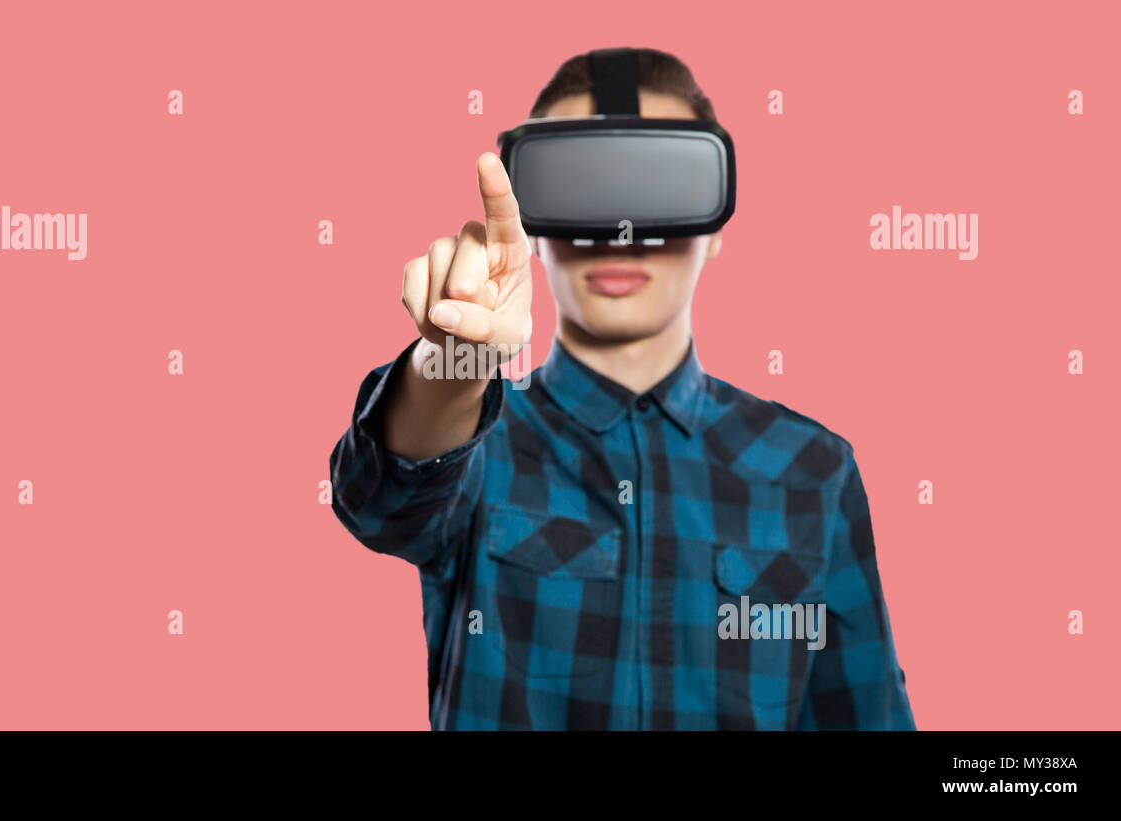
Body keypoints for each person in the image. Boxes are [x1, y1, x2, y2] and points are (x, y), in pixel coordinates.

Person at [329, 47, 915, 730]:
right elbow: (379, 498)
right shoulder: (486, 449)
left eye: (659, 185)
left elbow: (865, 714)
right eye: (582, 187)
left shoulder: (815, 470)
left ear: (716, 223)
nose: (619, 233)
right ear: (535, 227)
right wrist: (455, 362)